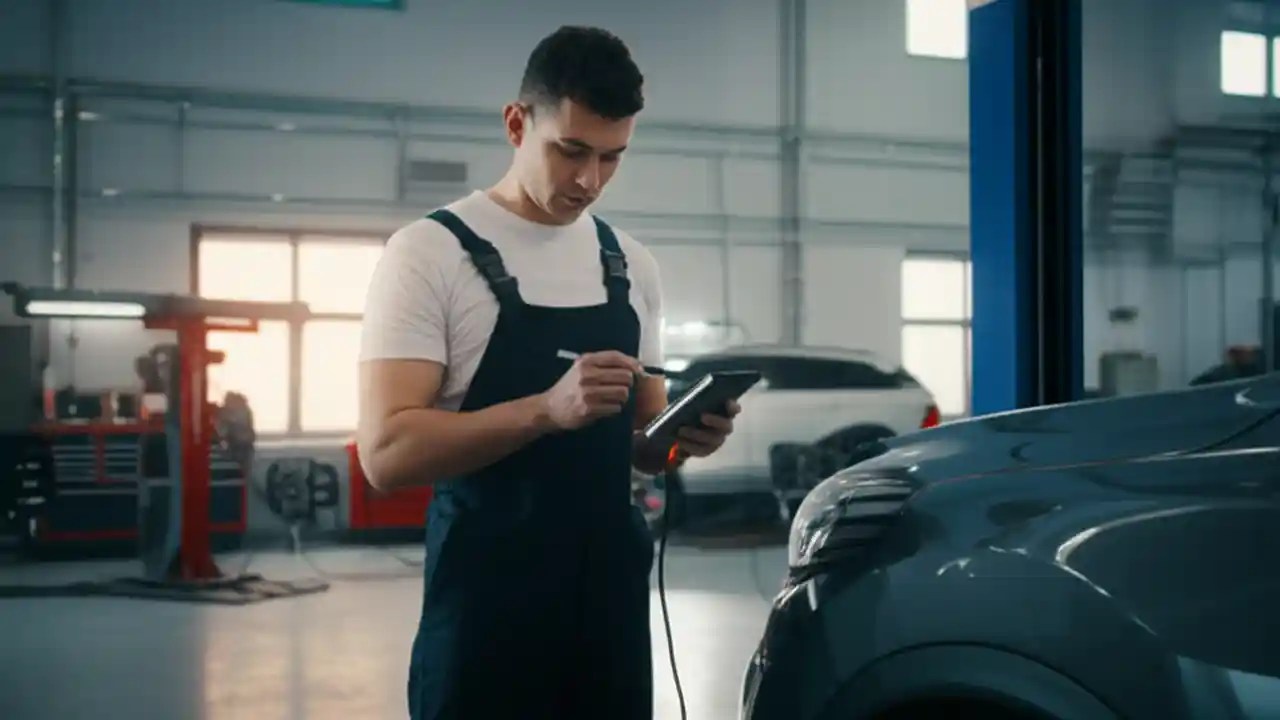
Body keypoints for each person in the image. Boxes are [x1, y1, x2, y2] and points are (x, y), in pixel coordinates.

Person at [356, 25, 739, 720]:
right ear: (515, 123)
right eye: (571, 151)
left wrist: (685, 434)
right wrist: (544, 410)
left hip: (608, 601)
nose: (590, 180)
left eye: (612, 158)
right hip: (487, 604)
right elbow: (386, 453)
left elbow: (645, 447)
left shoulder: (630, 264)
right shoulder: (429, 254)